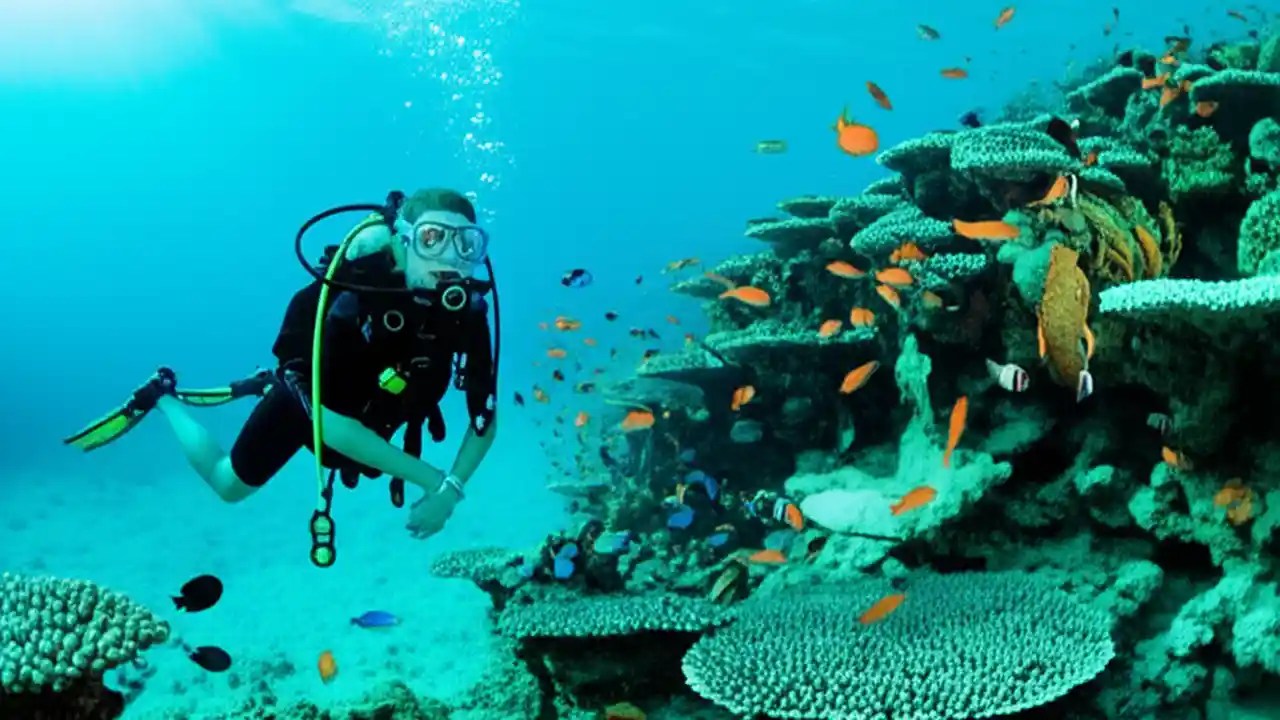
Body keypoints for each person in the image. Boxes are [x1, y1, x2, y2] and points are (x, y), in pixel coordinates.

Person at [64, 188, 501, 566]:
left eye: (467, 244)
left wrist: (452, 488)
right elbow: (329, 424)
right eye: (432, 238)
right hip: (311, 408)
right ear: (402, 243)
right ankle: (163, 396)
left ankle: (254, 383)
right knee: (228, 485)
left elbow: (485, 414)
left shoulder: (467, 316)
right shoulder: (354, 301)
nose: (450, 258)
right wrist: (435, 484)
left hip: (376, 420)